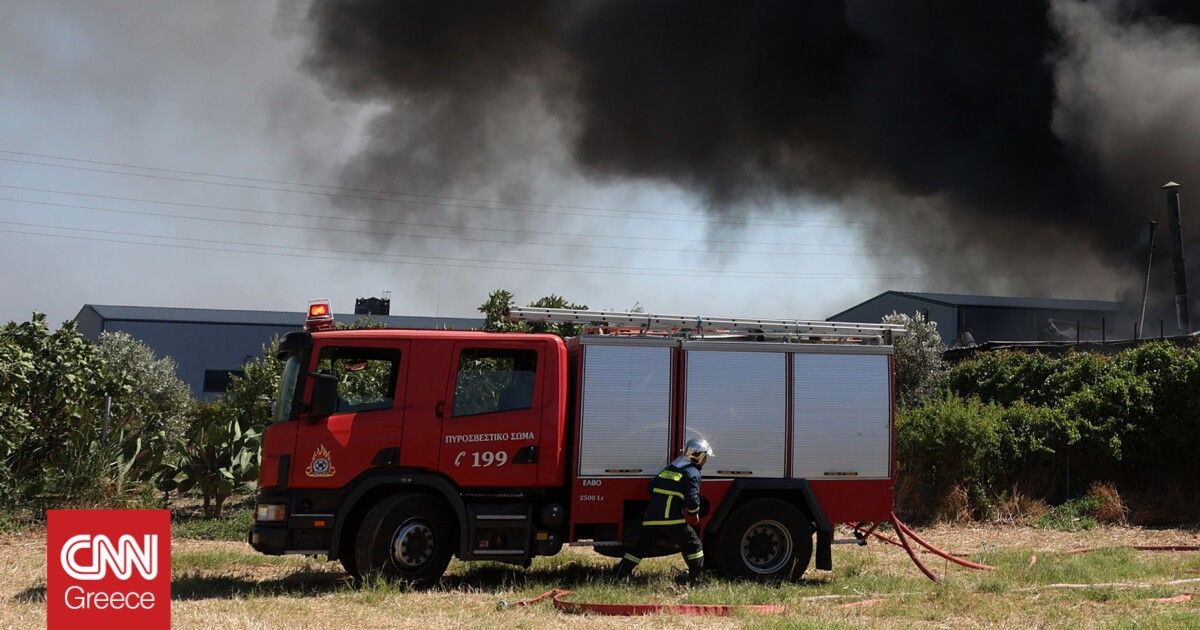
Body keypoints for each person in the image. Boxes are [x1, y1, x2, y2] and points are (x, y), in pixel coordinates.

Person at [613, 438, 714, 585]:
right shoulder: (692, 473)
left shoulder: (669, 469)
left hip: (652, 518)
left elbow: (651, 487)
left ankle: (620, 574)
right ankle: (696, 580)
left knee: (640, 548)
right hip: (673, 520)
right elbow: (692, 501)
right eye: (706, 457)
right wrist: (693, 513)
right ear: (699, 456)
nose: (706, 460)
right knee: (694, 545)